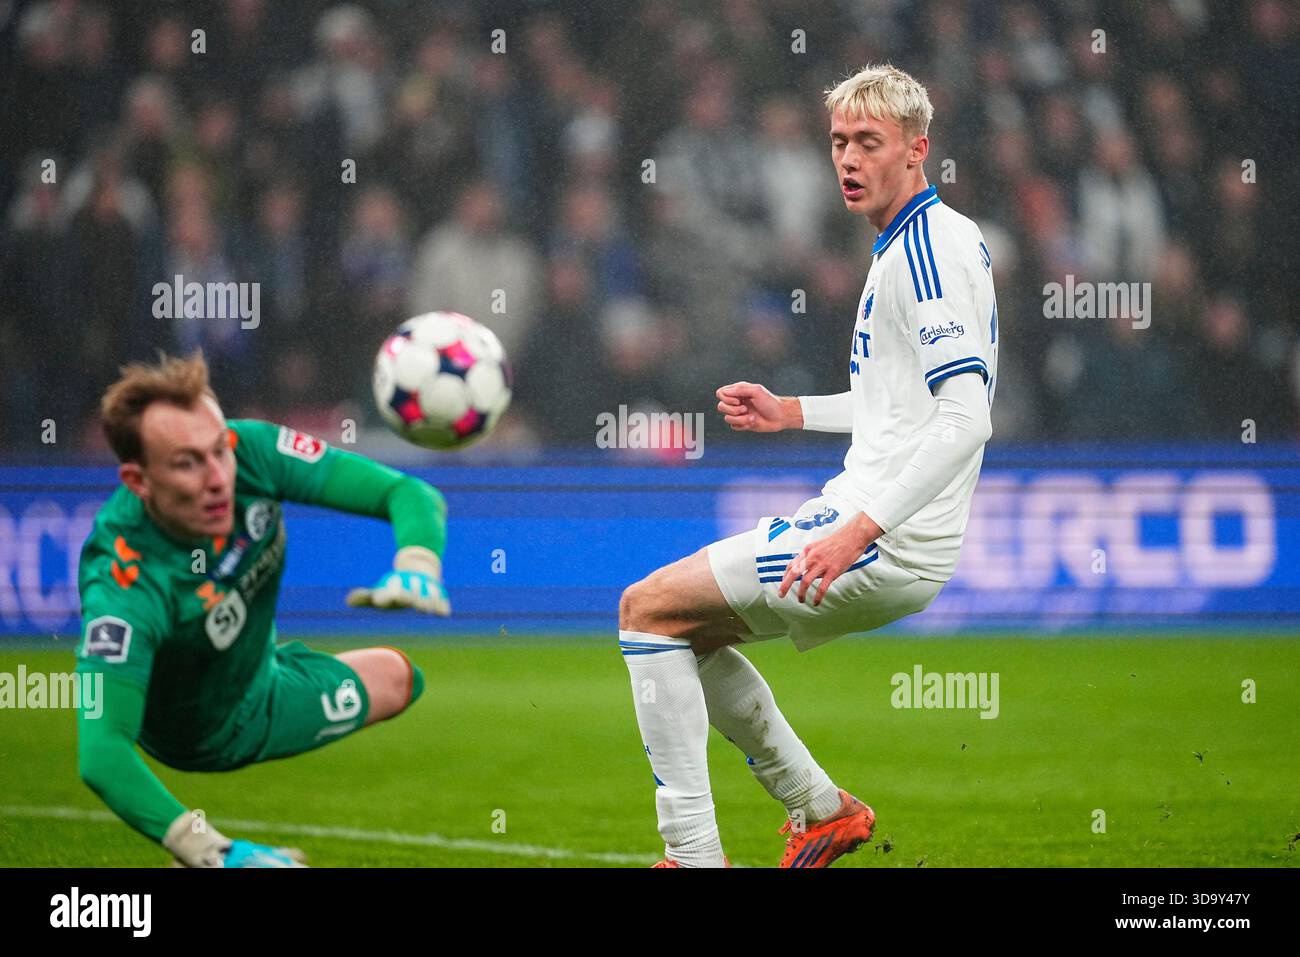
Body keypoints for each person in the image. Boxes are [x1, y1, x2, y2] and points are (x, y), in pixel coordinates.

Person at [619, 64, 998, 868]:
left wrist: (858, 530)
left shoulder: (924, 254)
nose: (849, 160)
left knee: (645, 610)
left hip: (880, 534)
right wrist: (793, 411)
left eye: (869, 142)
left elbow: (967, 418)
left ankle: (694, 853)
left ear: (917, 149)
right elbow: (899, 405)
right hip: (887, 531)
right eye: (838, 142)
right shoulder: (925, 240)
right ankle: (822, 811)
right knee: (685, 632)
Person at [75, 351, 450, 867]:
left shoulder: (251, 450)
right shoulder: (124, 584)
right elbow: (101, 754)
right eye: (187, 463)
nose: (218, 478)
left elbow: (407, 492)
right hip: (202, 732)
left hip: (263, 677)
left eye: (219, 450)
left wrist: (417, 562)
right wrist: (208, 849)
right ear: (138, 481)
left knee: (400, 678)